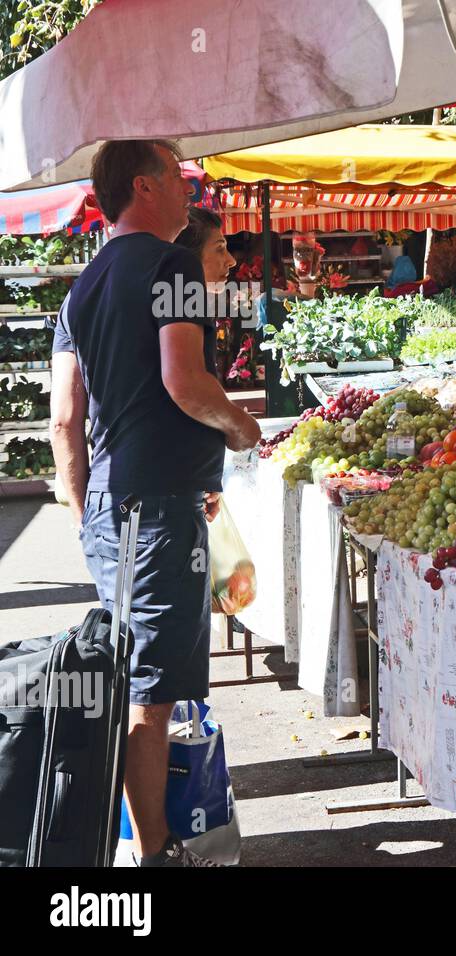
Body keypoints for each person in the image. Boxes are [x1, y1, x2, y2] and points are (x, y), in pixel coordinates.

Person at [49, 139, 261, 867]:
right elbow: (185, 381)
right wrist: (241, 427)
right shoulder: (171, 264)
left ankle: (134, 844)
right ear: (145, 186)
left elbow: (63, 418)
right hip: (156, 507)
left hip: (116, 507)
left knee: (128, 676)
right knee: (151, 693)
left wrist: (84, 511)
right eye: (178, 175)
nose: (187, 187)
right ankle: (156, 852)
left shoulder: (83, 286)